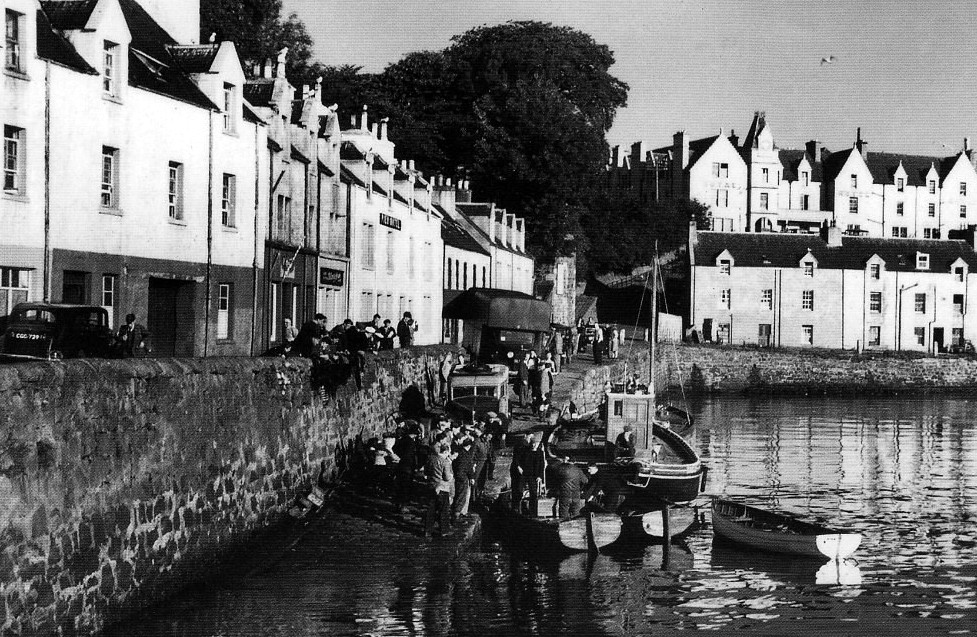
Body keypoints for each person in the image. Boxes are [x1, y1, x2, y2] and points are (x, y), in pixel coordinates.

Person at [425, 444, 453, 537]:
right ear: (445, 452)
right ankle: (444, 531)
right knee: (443, 510)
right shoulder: (445, 462)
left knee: (430, 509)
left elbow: (426, 472)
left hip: (431, 486)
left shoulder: (430, 459)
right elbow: (447, 477)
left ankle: (427, 530)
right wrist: (451, 476)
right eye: (448, 453)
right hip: (442, 488)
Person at [393, 423, 421, 512]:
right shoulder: (411, 443)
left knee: (399, 486)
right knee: (405, 487)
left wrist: (399, 457)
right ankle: (403, 506)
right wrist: (415, 467)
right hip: (407, 467)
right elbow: (409, 456)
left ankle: (398, 504)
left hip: (400, 466)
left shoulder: (402, 439)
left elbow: (394, 448)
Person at [452, 437, 476, 520]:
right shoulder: (466, 455)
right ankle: (457, 514)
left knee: (458, 494)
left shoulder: (459, 452)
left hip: (457, 476)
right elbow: (468, 468)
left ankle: (457, 512)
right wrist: (472, 477)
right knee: (462, 495)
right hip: (463, 477)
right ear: (469, 446)